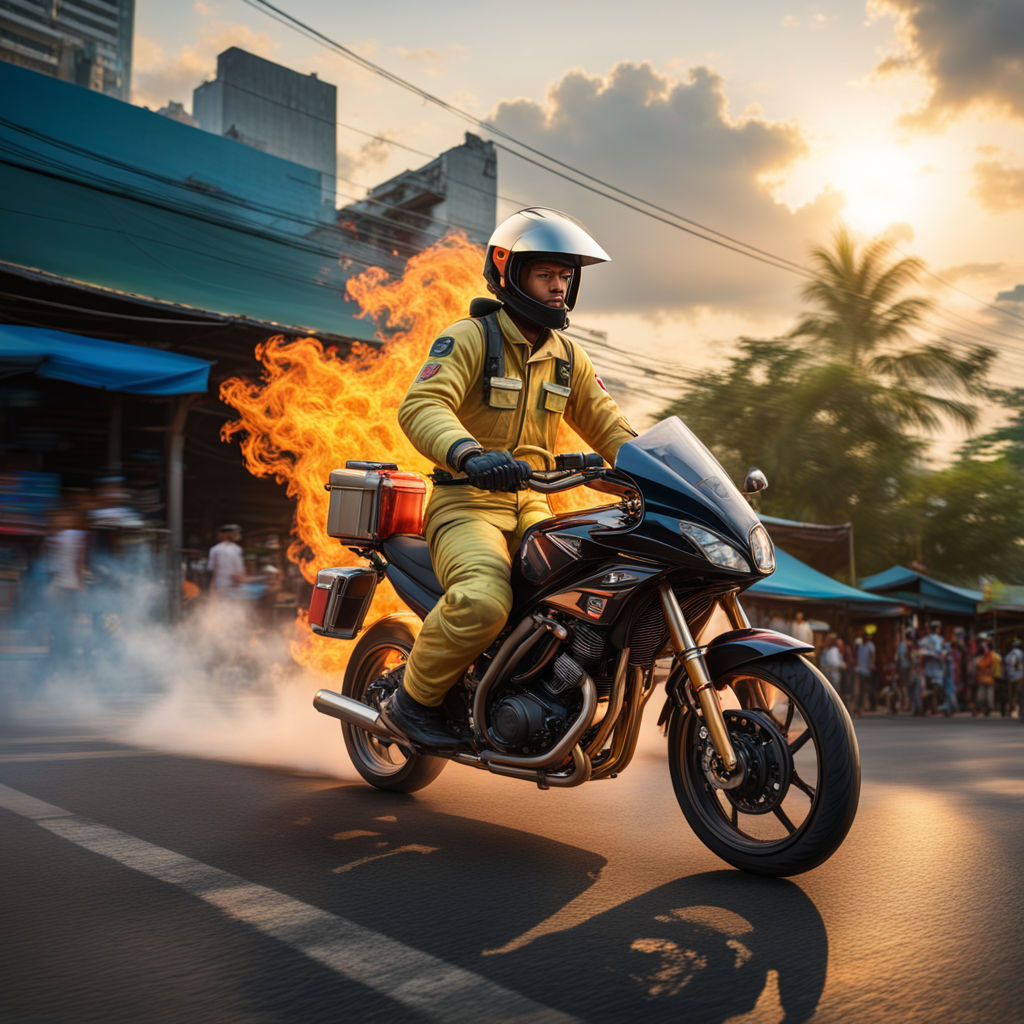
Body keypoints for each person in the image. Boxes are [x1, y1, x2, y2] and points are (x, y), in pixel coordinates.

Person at [382, 207, 637, 749]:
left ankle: (547, 696)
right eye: (546, 275)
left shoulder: (568, 357)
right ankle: (409, 703)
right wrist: (469, 454)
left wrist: (654, 471)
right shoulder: (471, 338)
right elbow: (423, 405)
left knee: (594, 598)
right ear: (509, 273)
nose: (558, 289)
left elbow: (611, 426)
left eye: (566, 277)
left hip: (536, 510)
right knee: (483, 601)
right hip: (465, 505)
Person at [918, 620, 948, 715]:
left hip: (928, 670)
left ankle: (928, 708)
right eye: (939, 628)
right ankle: (933, 708)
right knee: (935, 690)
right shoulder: (938, 639)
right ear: (937, 629)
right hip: (936, 670)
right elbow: (941, 653)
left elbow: (920, 654)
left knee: (929, 690)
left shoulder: (924, 640)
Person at [208, 523, 245, 598]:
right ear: (228, 534)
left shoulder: (214, 549)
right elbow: (239, 571)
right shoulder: (236, 549)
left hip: (223, 585)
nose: (237, 535)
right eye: (236, 533)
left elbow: (213, 571)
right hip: (229, 585)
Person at [851, 630, 875, 717]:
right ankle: (856, 709)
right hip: (859, 670)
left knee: (863, 691)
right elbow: (855, 655)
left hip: (866, 671)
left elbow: (872, 656)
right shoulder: (859, 646)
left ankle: (861, 708)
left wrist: (871, 666)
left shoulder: (870, 646)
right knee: (857, 691)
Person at [1004, 637, 1023, 720]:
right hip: (1019, 676)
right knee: (1018, 694)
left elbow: (1007, 664)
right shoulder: (1020, 653)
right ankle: (1016, 710)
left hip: (1011, 676)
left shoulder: (1010, 654)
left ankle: (1012, 709)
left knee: (1012, 693)